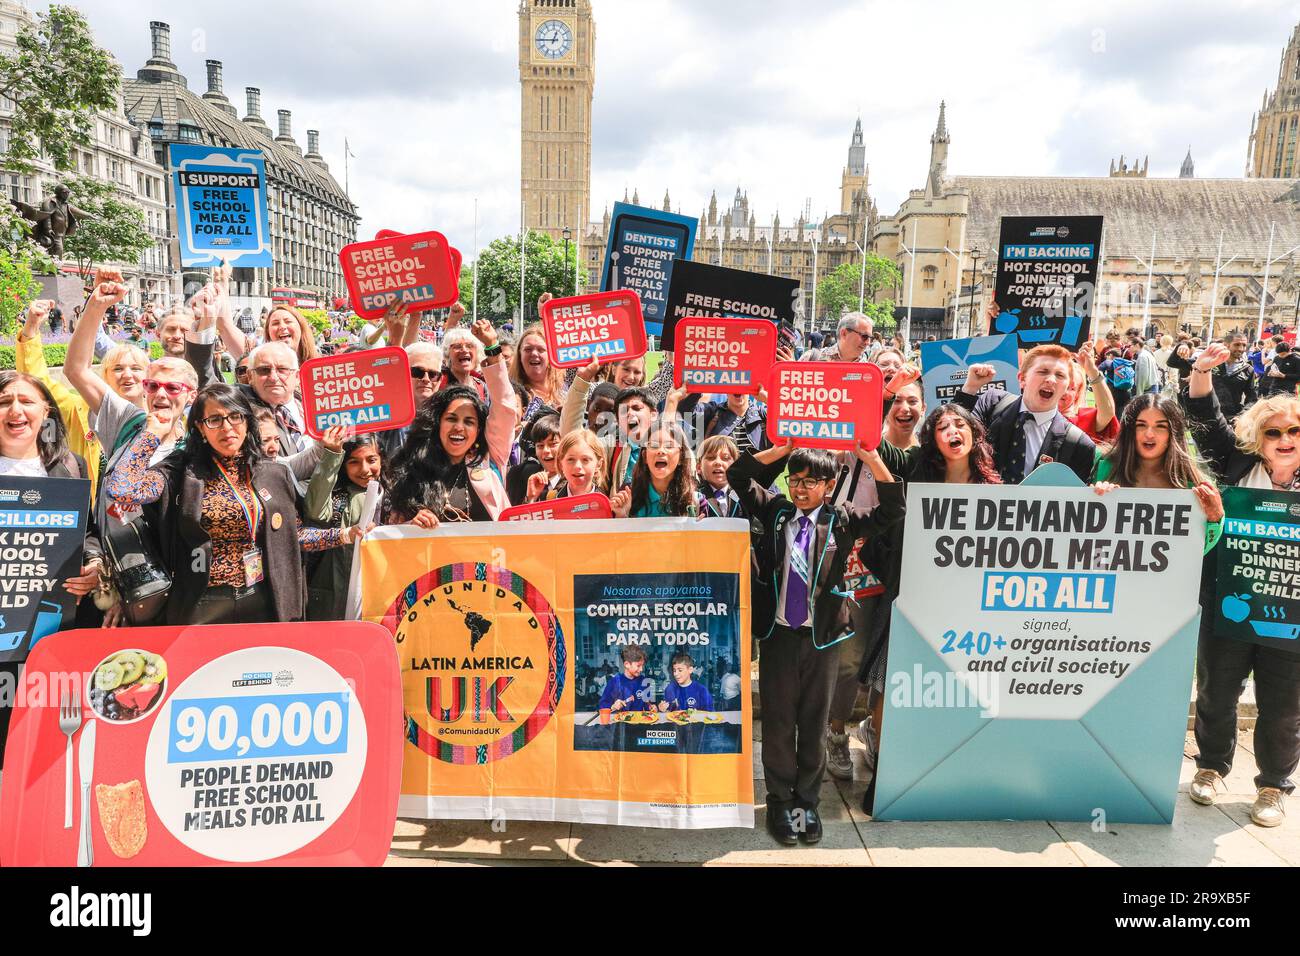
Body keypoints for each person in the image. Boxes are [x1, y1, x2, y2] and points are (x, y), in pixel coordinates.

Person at [729, 440, 903, 846]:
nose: (800, 489)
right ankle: (778, 800)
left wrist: (871, 458)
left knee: (813, 720)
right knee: (777, 720)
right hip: (778, 634)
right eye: (795, 480)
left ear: (829, 484)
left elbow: (893, 509)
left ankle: (806, 801)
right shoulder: (776, 512)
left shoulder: (841, 519)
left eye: (810, 482)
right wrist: (782, 449)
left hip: (821, 637)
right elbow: (740, 476)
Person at [105, 383, 363, 624]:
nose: (227, 427)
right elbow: (122, 490)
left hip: (263, 598)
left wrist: (343, 535)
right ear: (200, 428)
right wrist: (151, 435)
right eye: (215, 420)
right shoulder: (180, 473)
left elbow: (291, 537)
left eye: (235, 417)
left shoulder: (273, 473)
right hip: (203, 603)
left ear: (247, 422)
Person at [1183, 343, 1300, 826]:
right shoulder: (1237, 466)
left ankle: (1273, 786)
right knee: (1216, 691)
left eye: (1294, 430)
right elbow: (1205, 420)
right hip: (1230, 602)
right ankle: (1211, 767)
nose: (1284, 438)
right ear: (1259, 437)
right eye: (1273, 431)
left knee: (1284, 706)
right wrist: (1200, 372)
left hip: (1289, 615)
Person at [386, 319, 519, 524]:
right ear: (437, 423)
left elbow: (505, 408)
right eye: (451, 418)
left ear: (479, 430)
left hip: (491, 556)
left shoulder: (489, 457)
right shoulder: (415, 466)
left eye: (469, 422)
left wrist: (492, 348)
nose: (459, 427)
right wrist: (411, 524)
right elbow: (391, 530)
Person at [954, 345, 1096, 484]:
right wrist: (970, 389)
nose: (1051, 380)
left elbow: (1077, 501)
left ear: (1067, 386)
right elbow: (951, 440)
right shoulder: (992, 405)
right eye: (1043, 371)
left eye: (1060, 375)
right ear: (1022, 379)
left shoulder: (1079, 444)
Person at [304, 428, 385, 620]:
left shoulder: (393, 495)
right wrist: (332, 454)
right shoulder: (338, 497)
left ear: (382, 459)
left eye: (371, 460)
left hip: (378, 596)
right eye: (354, 462)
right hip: (334, 601)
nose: (365, 469)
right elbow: (315, 509)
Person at [561, 356, 659, 493]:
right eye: (624, 411)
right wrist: (582, 381)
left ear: (653, 414)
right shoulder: (611, 446)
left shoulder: (669, 446)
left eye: (636, 408)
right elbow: (572, 440)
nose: (630, 413)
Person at [610, 421, 697, 518]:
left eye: (669, 446)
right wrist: (621, 515)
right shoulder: (628, 494)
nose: (661, 451)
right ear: (644, 456)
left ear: (681, 457)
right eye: (654, 445)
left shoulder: (695, 501)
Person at [1059, 340, 1118, 448]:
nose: (1064, 392)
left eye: (1072, 388)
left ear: (1077, 394)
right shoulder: (1030, 416)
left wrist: (1092, 372)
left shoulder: (1083, 420)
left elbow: (1107, 412)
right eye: (1062, 385)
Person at [510, 325, 566, 417]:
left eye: (541, 350)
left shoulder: (567, 388)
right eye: (528, 349)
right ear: (520, 356)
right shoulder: (512, 394)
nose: (534, 354)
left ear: (551, 355)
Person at [1212, 333, 1259, 421]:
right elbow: (1180, 362)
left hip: (1231, 417)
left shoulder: (1248, 370)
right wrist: (1182, 346)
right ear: (1226, 345)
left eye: (1244, 345)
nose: (1241, 349)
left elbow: (1252, 398)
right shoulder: (1211, 363)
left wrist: (1241, 416)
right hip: (1209, 415)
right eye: (1237, 345)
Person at [696, 435, 744, 517]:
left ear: (735, 466)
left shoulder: (745, 495)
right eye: (711, 458)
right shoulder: (694, 497)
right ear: (699, 468)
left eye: (725, 458)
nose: (718, 462)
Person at [800, 312, 873, 363]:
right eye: (864, 336)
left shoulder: (871, 370)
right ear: (844, 333)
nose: (868, 342)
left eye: (870, 337)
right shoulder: (810, 359)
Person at [599, 645, 653, 712]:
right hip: (620, 721)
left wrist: (652, 707)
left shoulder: (644, 682)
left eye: (642, 665)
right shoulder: (614, 682)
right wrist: (613, 706)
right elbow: (602, 706)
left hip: (640, 721)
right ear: (627, 664)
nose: (641, 669)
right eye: (638, 666)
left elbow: (648, 706)